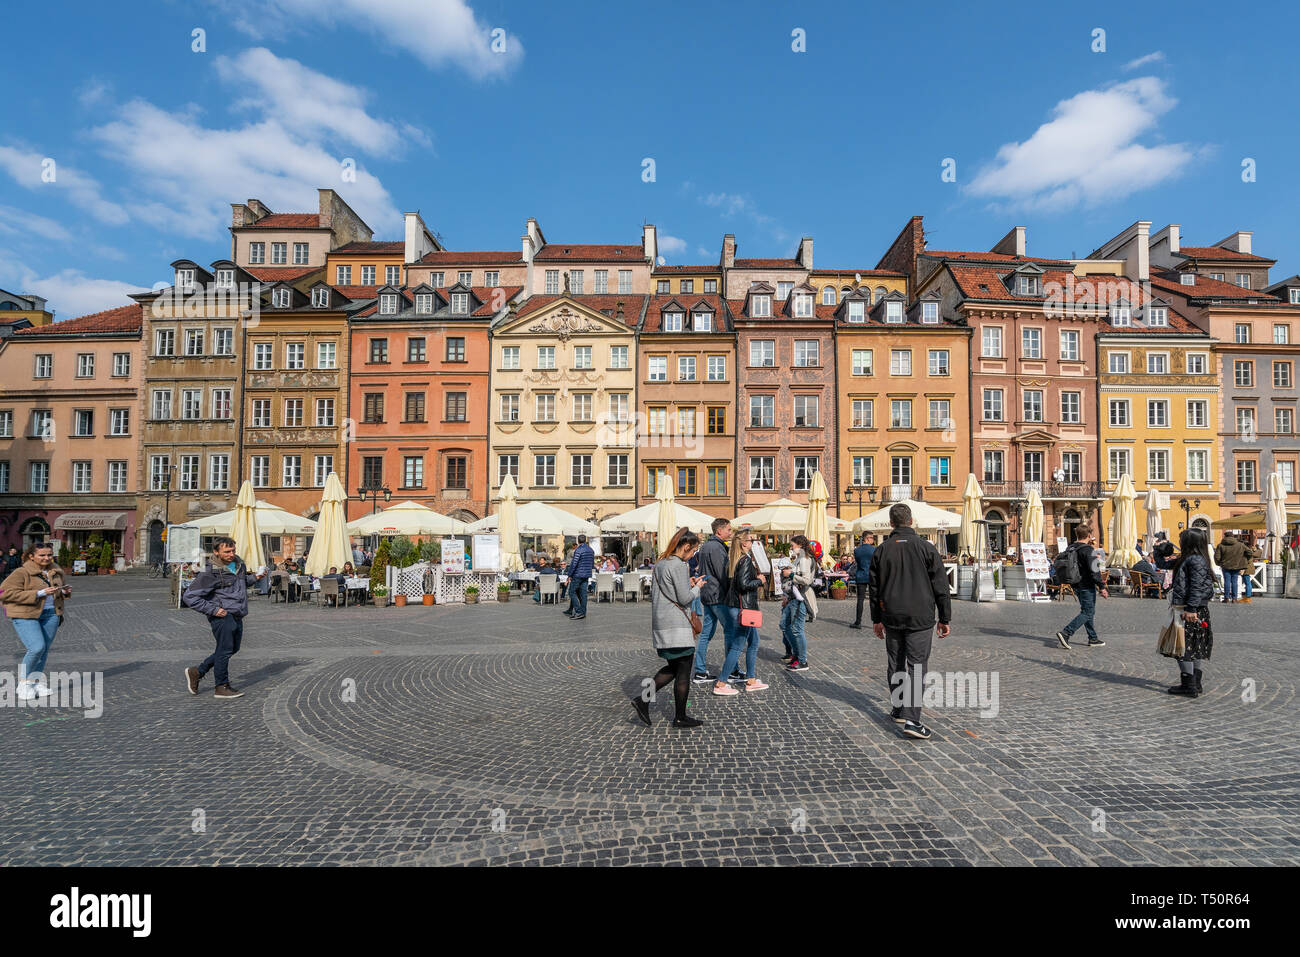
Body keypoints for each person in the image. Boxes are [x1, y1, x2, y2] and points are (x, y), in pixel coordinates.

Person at [868, 504, 952, 740]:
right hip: (920, 616)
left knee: (895, 662)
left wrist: (876, 619)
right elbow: (941, 585)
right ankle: (912, 720)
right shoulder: (926, 548)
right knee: (916, 666)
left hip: (891, 614)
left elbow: (874, 590)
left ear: (891, 523)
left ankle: (898, 708)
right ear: (912, 521)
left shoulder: (881, 550)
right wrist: (944, 617)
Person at [631, 527, 706, 728]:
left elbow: (670, 591)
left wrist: (688, 584)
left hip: (662, 624)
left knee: (673, 667)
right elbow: (683, 598)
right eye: (692, 552)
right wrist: (697, 587)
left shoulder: (662, 563)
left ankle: (643, 700)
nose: (692, 556)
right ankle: (679, 716)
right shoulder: (679, 565)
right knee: (682, 672)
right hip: (677, 626)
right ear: (686, 547)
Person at [182, 537, 265, 699]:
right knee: (225, 649)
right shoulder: (209, 572)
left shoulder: (239, 564)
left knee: (233, 648)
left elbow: (239, 583)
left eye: (233, 550)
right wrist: (213, 610)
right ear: (216, 552)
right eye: (227, 551)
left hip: (237, 613)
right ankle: (221, 686)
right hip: (222, 615)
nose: (231, 554)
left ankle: (198, 672)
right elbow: (189, 597)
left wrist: (255, 578)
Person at [1, 542, 72, 700]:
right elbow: (4, 592)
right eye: (42, 555)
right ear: (31, 556)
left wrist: (64, 592)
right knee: (36, 647)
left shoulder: (56, 571)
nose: (46, 558)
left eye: (49, 554)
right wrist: (39, 593)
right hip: (26, 614)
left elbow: (58, 592)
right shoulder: (22, 572)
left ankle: (35, 681)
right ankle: (24, 683)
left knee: (44, 649)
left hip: (51, 614)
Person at [714, 529, 767, 697]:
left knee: (754, 642)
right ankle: (721, 682)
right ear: (744, 543)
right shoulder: (744, 560)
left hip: (735, 606)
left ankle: (751, 680)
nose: (752, 543)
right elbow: (744, 584)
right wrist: (760, 580)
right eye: (750, 540)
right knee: (737, 646)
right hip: (742, 608)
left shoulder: (734, 559)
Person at [1167, 527, 1215, 698]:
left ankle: (1189, 685)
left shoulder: (1195, 560)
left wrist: (1191, 608)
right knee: (1194, 645)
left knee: (1183, 646)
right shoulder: (1193, 559)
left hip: (1191, 609)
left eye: (1182, 539)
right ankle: (1195, 683)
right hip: (1194, 608)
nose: (1179, 542)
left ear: (1189, 542)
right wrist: (1161, 548)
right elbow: (1162, 563)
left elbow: (1196, 587)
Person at [693, 517, 735, 684]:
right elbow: (722, 574)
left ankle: (700, 671)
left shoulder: (706, 546)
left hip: (707, 594)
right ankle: (731, 670)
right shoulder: (717, 548)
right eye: (729, 530)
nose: (730, 533)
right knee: (730, 631)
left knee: (706, 634)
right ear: (719, 531)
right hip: (717, 595)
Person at [1054, 525, 1109, 649]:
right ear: (1089, 535)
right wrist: (1102, 587)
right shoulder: (1089, 550)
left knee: (1087, 611)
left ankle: (1093, 638)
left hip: (1075, 584)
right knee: (1088, 612)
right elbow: (1095, 570)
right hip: (1087, 585)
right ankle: (1066, 633)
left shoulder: (1070, 548)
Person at [781, 535, 815, 672]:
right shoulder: (800, 558)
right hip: (792, 597)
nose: (791, 547)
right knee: (784, 625)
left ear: (800, 545)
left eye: (793, 545)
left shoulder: (805, 559)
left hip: (800, 598)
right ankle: (797, 654)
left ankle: (802, 660)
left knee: (797, 629)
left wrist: (790, 575)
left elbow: (807, 580)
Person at [564, 534, 595, 620]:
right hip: (586, 574)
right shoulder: (591, 550)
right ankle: (583, 612)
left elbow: (574, 564)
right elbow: (592, 563)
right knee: (583, 594)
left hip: (578, 574)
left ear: (578, 541)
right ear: (585, 540)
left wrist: (569, 575)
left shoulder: (578, 550)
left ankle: (578, 611)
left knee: (571, 592)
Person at [1214, 532, 1249, 604]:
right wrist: (1244, 559)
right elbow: (1249, 552)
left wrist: (1219, 563)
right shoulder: (1240, 545)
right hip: (1236, 565)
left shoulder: (1220, 545)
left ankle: (1226, 598)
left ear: (1225, 536)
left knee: (1227, 581)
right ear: (1233, 536)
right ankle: (1234, 598)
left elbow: (1217, 557)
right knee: (1234, 582)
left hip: (1225, 565)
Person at [850, 532, 876, 629]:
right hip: (872, 576)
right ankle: (875, 622)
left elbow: (858, 562)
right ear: (867, 538)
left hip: (861, 576)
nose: (873, 540)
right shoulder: (874, 550)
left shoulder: (857, 551)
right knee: (873, 600)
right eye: (872, 538)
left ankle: (858, 622)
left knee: (860, 600)